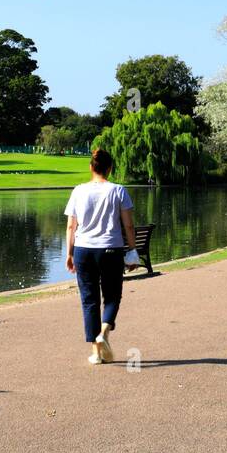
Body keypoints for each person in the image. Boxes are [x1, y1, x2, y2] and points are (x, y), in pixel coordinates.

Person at [64, 148, 135, 366]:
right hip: (110, 250)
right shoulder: (118, 190)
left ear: (91, 167)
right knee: (112, 296)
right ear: (110, 168)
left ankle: (96, 353)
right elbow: (128, 225)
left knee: (89, 300)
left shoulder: (78, 191)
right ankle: (104, 332)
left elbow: (71, 226)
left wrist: (69, 253)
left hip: (84, 250)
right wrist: (132, 250)